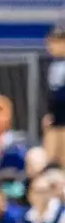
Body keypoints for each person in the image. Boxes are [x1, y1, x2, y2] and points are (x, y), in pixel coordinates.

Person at [44, 22, 65, 166]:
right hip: (57, 113)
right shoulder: (54, 64)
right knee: (51, 156)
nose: (50, 46)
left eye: (55, 42)